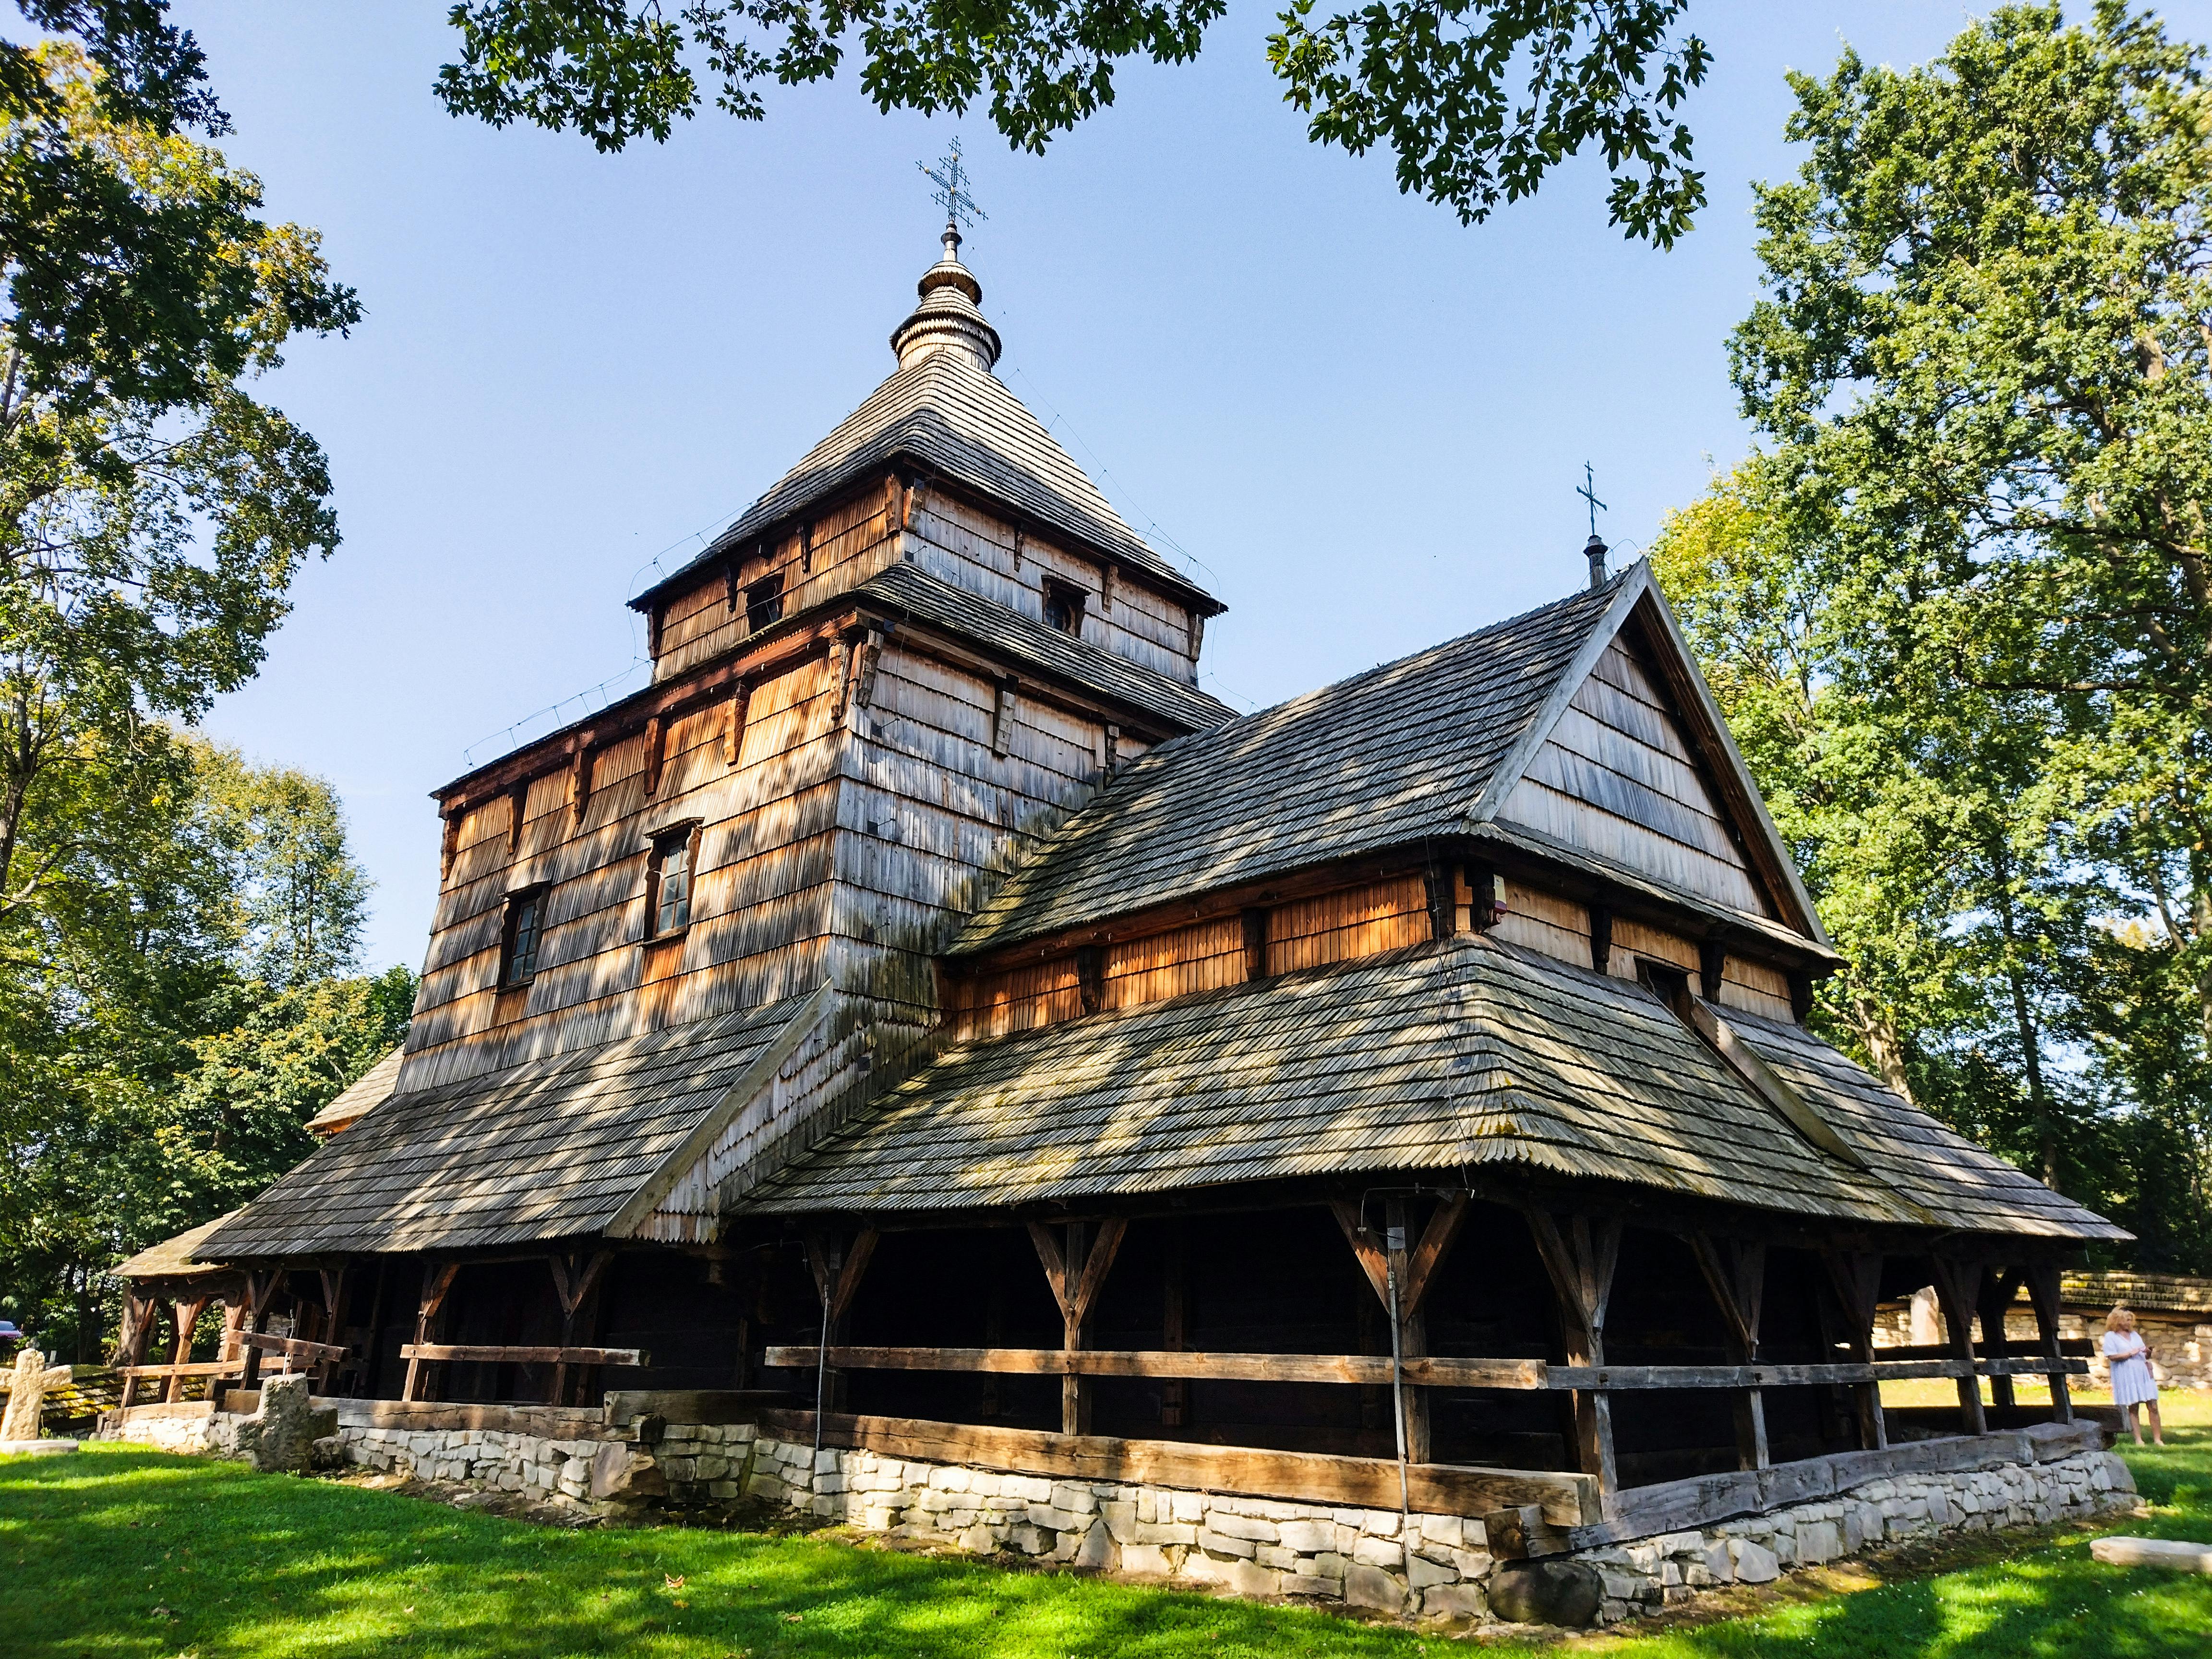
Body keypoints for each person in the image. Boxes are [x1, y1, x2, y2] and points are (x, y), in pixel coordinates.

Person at [2103, 1305, 2164, 1446]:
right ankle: (2139, 1440)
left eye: (2131, 1320)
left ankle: (2158, 1439)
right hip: (2127, 1375)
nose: (2130, 1323)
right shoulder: (2111, 1337)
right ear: (2118, 1321)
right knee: (2133, 1407)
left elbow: (2144, 1354)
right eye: (2127, 1320)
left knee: (2153, 1405)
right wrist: (2131, 1353)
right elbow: (2112, 1356)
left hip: (2143, 1373)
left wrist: (2148, 1352)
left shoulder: (2135, 1335)